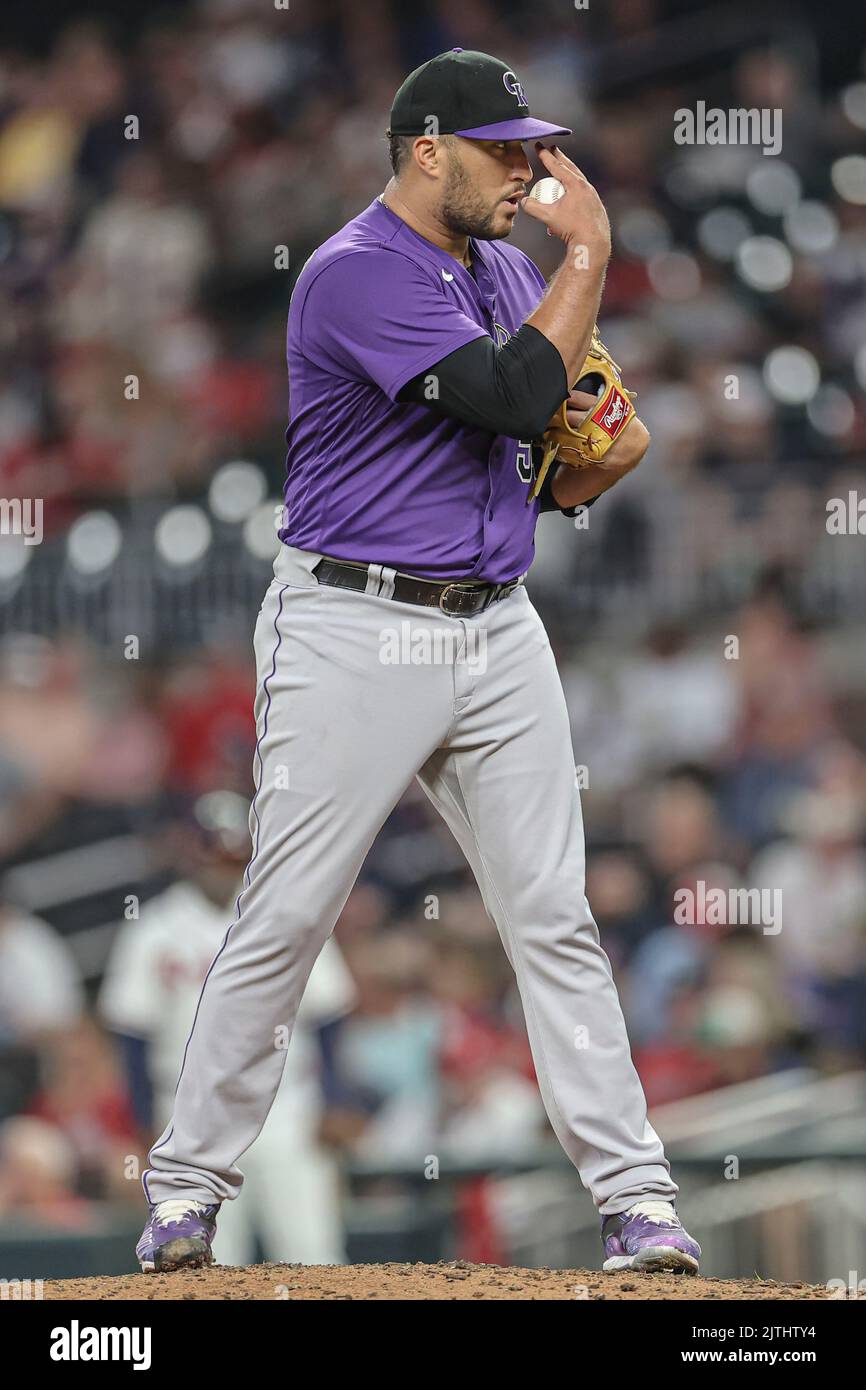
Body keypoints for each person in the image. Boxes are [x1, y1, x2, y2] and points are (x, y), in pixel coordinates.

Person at [137, 48, 700, 1276]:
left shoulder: (501, 266)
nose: (530, 173)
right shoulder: (349, 275)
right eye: (505, 150)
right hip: (351, 626)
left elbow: (534, 450)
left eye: (536, 148)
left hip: (496, 623)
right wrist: (589, 257)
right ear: (426, 148)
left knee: (552, 915)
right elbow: (505, 396)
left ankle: (637, 1200)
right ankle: (184, 1188)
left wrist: (560, 486)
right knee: (287, 914)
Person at [101, 792, 355, 1265]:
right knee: (204, 1260)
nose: (225, 865)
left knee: (313, 1252)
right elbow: (131, 1035)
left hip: (288, 1109)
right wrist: (140, 1122)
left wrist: (336, 1098)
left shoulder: (283, 916)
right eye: (215, 852)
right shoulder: (154, 928)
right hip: (187, 1118)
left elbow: (330, 1013)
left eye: (236, 854)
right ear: (192, 853)